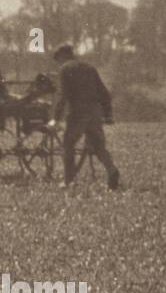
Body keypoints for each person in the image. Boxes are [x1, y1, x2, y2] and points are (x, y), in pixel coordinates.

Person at [49, 44, 120, 189]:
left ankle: (68, 181)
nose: (58, 63)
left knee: (68, 144)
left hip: (78, 112)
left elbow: (63, 96)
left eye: (58, 60)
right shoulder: (89, 68)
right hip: (94, 111)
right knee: (98, 145)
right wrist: (108, 114)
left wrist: (55, 118)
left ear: (62, 56)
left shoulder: (65, 69)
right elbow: (104, 92)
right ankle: (111, 169)